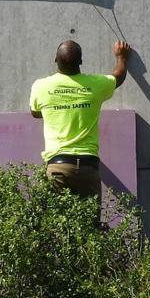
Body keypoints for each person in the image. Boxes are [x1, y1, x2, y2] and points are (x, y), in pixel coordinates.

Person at [29, 39, 130, 199]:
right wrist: (121, 57)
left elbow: (35, 112)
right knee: (89, 221)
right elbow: (119, 76)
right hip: (87, 167)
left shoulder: (41, 86)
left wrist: (56, 109)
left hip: (57, 166)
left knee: (57, 220)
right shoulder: (95, 85)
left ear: (55, 60)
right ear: (81, 62)